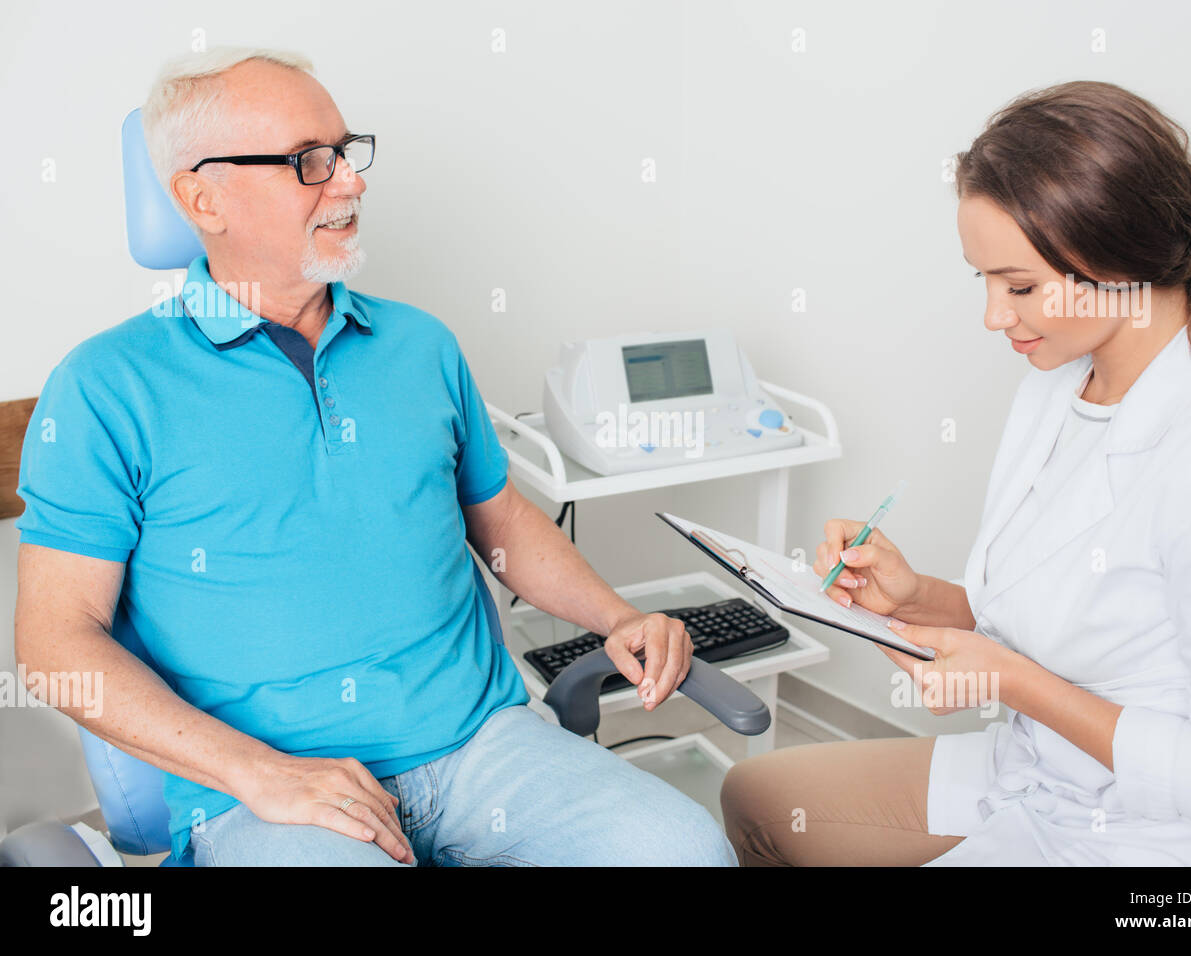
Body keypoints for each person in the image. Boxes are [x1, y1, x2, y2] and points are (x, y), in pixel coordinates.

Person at [14, 47, 734, 867]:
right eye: (307, 161)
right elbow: (54, 642)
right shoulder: (108, 385)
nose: (351, 181)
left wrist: (618, 617)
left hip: (481, 748)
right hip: (267, 792)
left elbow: (500, 519)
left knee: (687, 850)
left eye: (346, 151)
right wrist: (257, 773)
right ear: (201, 198)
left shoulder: (420, 346)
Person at [720, 80, 1191, 866]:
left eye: (1020, 287)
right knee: (756, 798)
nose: (995, 316)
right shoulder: (1060, 385)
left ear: (1120, 259)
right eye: (985, 281)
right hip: (1039, 770)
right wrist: (916, 598)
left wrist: (1015, 684)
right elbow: (1062, 620)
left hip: (1167, 840)